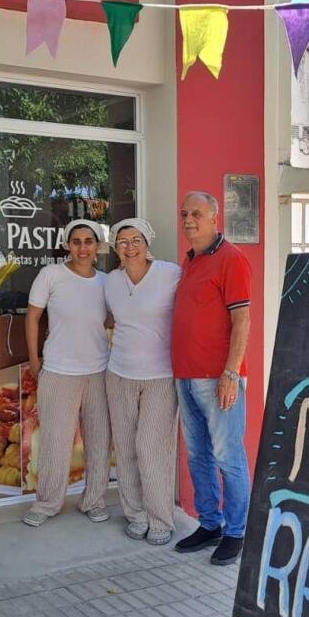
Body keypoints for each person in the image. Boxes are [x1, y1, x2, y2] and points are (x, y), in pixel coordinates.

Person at [171, 191, 252, 566]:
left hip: (218, 379)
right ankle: (210, 523)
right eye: (186, 213)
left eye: (197, 214)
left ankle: (237, 532)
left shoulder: (231, 259)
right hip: (185, 376)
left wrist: (231, 373)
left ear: (215, 218)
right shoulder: (189, 261)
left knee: (228, 457)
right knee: (198, 455)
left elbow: (242, 321)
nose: (189, 220)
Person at [22, 219, 112, 527]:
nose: (83, 247)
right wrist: (35, 361)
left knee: (99, 441)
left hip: (99, 371)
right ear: (67, 245)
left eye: (89, 241)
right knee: (56, 441)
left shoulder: (106, 281)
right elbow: (33, 318)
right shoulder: (51, 275)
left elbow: (114, 320)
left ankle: (94, 500)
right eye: (77, 241)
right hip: (59, 370)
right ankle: (47, 503)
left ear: (98, 247)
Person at [104, 218, 182, 545]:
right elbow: (108, 321)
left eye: (136, 240)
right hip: (119, 372)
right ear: (115, 248)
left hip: (160, 375)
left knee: (152, 448)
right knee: (125, 448)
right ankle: (135, 514)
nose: (129, 247)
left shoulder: (170, 273)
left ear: (147, 242)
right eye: (122, 242)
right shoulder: (111, 281)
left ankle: (160, 518)